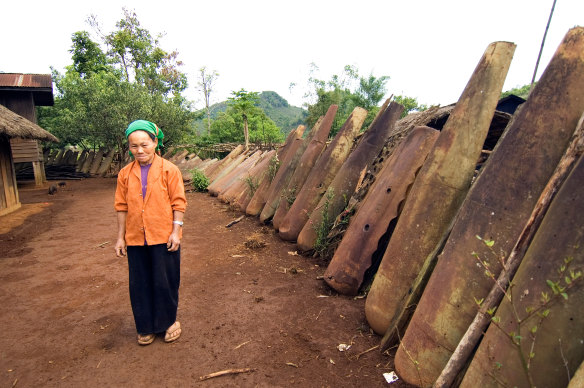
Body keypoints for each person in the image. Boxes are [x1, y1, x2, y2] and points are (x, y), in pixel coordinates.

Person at [114, 120, 187, 345]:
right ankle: (145, 326)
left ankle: (168, 323)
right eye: (134, 146)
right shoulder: (125, 174)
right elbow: (121, 207)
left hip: (163, 236)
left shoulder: (169, 170)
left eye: (144, 144)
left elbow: (179, 203)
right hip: (136, 238)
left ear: (155, 142)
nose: (140, 150)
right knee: (140, 283)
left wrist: (176, 232)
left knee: (165, 281)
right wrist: (120, 237)